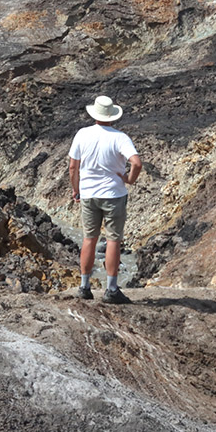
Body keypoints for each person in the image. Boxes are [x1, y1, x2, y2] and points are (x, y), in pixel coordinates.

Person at [68, 95, 142, 304]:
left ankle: (84, 286)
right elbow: (136, 163)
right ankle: (111, 289)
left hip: (89, 194)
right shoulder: (120, 138)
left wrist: (76, 190)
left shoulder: (82, 134)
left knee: (89, 239)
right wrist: (129, 180)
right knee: (113, 240)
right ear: (112, 116)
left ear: (95, 114)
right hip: (113, 195)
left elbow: (73, 167)